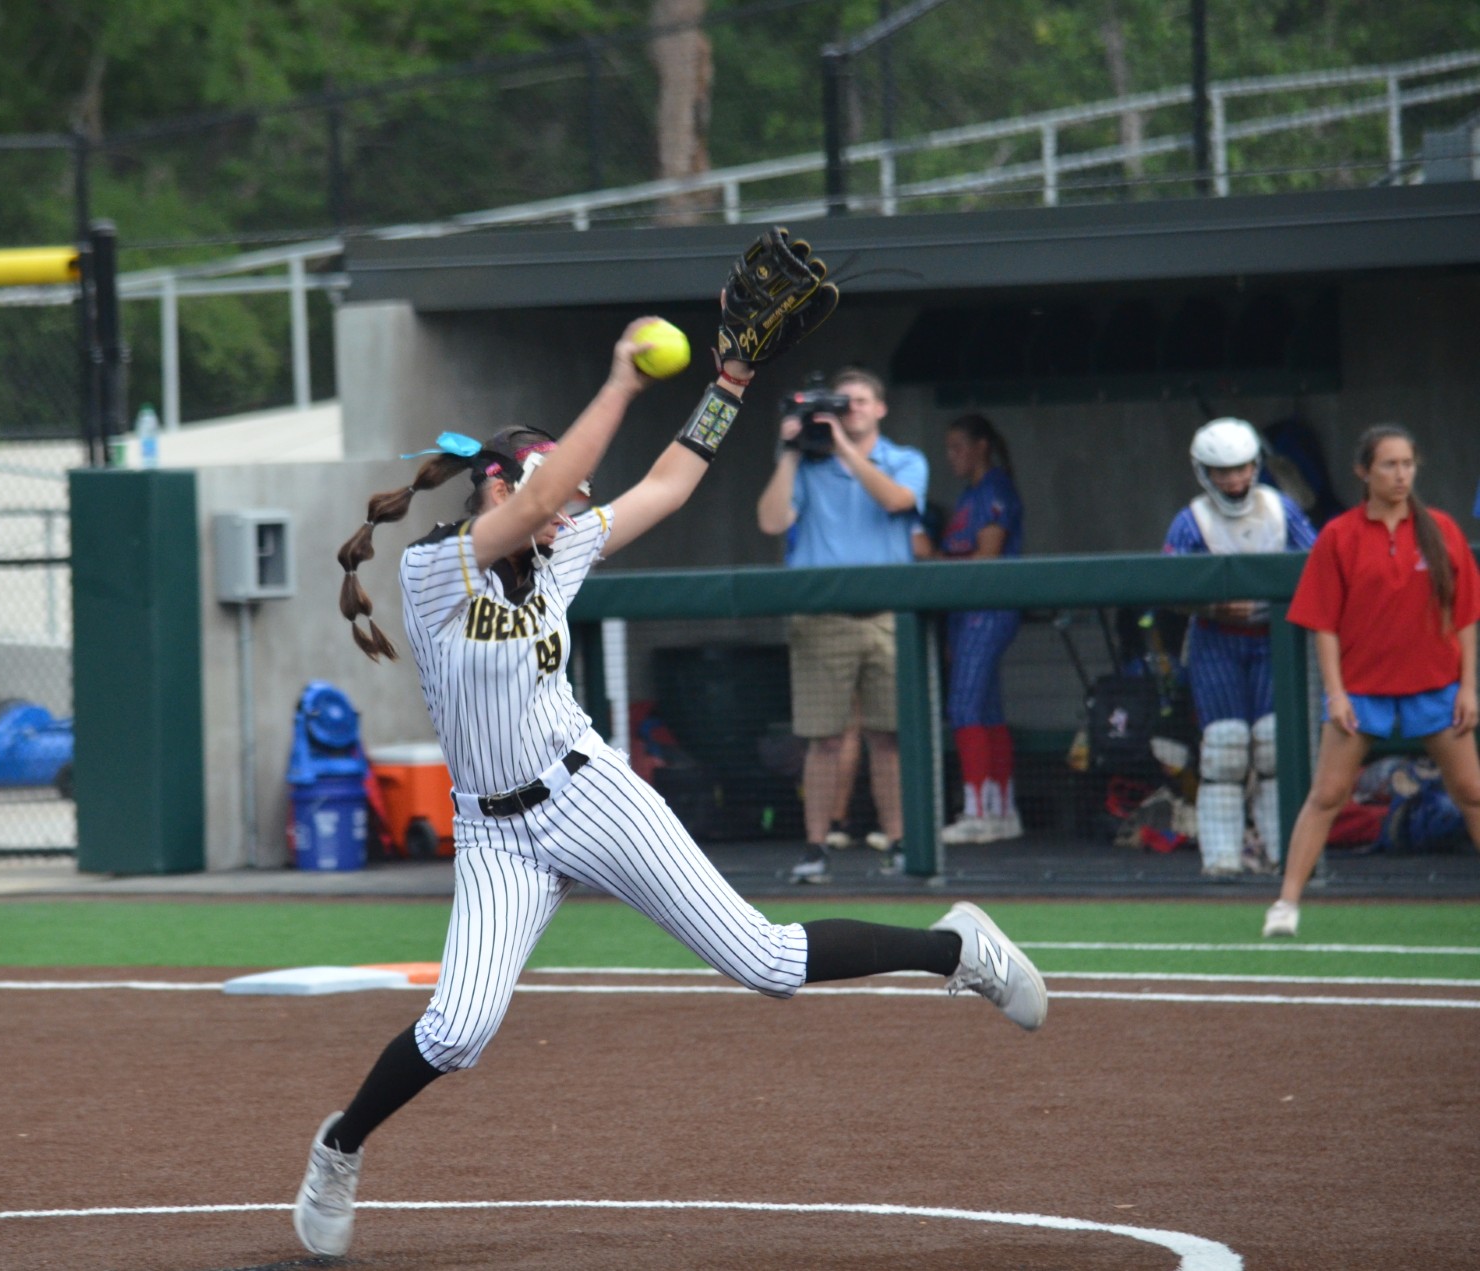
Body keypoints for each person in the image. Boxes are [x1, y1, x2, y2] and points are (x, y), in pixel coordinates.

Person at [297, 264, 1045, 1259]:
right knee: (456, 1031)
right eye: (544, 488)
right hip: (495, 830)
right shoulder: (440, 567)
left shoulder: (555, 548)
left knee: (768, 960)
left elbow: (669, 482)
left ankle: (961, 948)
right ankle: (339, 1147)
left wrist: (727, 386)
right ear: (497, 483)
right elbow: (546, 495)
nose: (567, 509)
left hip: (587, 787)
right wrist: (619, 378)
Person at [1265, 426, 1480, 938]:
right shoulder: (1338, 536)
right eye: (1389, 464)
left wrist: (1469, 687)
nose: (1401, 474)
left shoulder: (1443, 529)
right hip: (1361, 693)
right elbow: (1324, 624)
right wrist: (1336, 693)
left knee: (1472, 791)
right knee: (1327, 794)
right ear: (1364, 472)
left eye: (1408, 463)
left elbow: (1467, 614)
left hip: (1437, 687)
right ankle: (1286, 905)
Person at [756, 368, 927, 882]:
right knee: (823, 739)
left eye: (856, 402)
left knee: (889, 736)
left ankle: (899, 844)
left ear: (879, 408)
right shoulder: (806, 466)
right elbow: (771, 521)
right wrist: (789, 451)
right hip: (821, 615)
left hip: (888, 615)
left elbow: (898, 501)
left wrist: (846, 451)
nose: (846, 411)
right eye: (838, 404)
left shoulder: (904, 460)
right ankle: (816, 850)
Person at [1162, 418, 1317, 878]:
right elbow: (1170, 587)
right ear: (1203, 472)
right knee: (1225, 747)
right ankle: (1222, 857)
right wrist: (1210, 605)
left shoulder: (1281, 510)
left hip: (1274, 640)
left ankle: (1284, 853)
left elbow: (1317, 566)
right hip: (1215, 642)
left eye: (1242, 468)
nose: (1233, 480)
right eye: (1222, 471)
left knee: (1274, 745)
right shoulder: (1191, 520)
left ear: (1256, 466)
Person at [914, 414, 1025, 844]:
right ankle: (1001, 811)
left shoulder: (996, 487)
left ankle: (978, 812)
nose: (952, 456)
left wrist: (929, 558)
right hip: (964, 613)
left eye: (959, 447)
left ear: (980, 446)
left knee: (963, 707)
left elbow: (987, 556)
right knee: (986, 708)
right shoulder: (967, 495)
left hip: (988, 608)